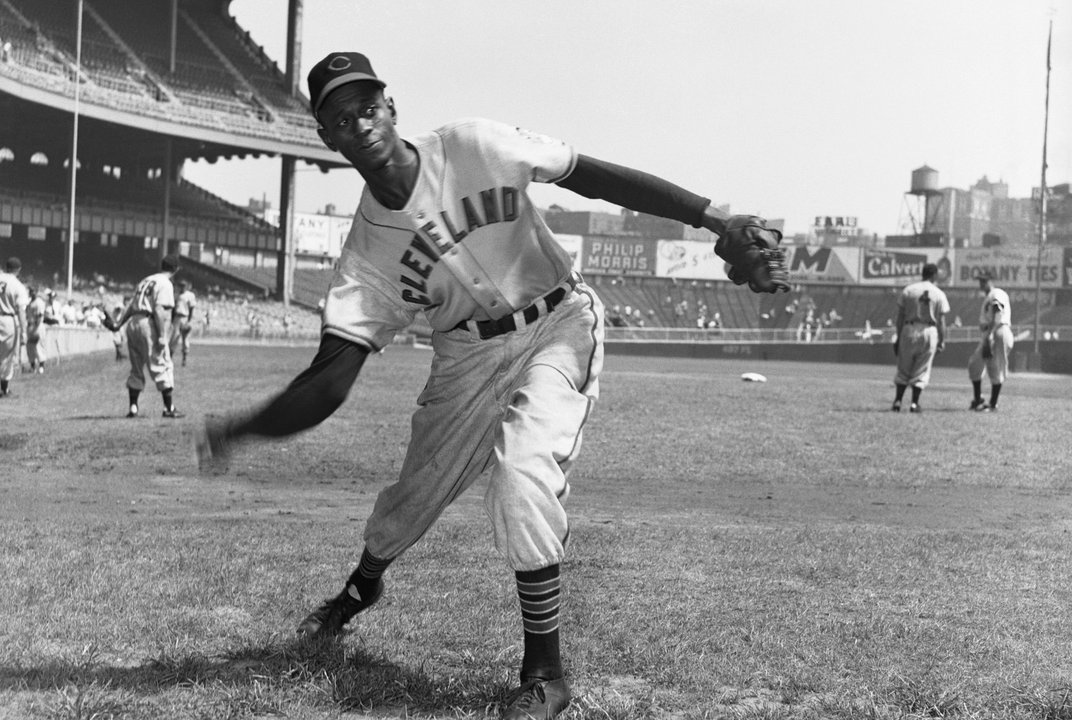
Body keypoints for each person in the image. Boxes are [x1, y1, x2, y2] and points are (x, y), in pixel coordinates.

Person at [195, 51, 779, 720]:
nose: (358, 122)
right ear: (328, 138)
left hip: (557, 320)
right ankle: (358, 592)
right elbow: (328, 384)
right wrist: (239, 428)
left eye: (367, 105)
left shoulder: (472, 144)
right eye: (340, 117)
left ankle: (545, 676)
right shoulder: (365, 261)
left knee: (522, 471)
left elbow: (590, 177)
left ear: (392, 108)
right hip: (465, 357)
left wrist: (714, 218)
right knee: (410, 498)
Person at [110, 255, 184, 418]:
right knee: (162, 363)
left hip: (133, 323)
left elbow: (131, 306)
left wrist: (119, 324)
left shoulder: (146, 280)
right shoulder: (165, 283)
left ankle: (133, 407)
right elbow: (159, 309)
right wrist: (162, 336)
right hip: (148, 324)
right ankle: (168, 408)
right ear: (175, 269)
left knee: (136, 367)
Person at [891, 262, 949, 413]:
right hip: (929, 330)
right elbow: (942, 321)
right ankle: (914, 404)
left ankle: (897, 401)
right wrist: (942, 340)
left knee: (903, 367)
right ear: (935, 275)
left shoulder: (909, 290)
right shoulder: (939, 293)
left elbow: (900, 317)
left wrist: (898, 337)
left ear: (922, 273)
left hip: (908, 328)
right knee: (922, 369)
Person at [968, 270, 1013, 411]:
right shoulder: (989, 295)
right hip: (992, 332)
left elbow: (998, 314)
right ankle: (978, 399)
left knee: (995, 368)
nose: (981, 283)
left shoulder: (996, 293)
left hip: (997, 331)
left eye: (983, 280)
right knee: (974, 365)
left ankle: (993, 404)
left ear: (989, 281)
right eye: (980, 280)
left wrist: (990, 335)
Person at [0, 257, 29, 397]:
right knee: (6, 355)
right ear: (18, 269)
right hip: (8, 320)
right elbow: (21, 311)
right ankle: (4, 389)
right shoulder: (17, 285)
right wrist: (24, 331)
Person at [170, 279, 197, 366]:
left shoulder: (190, 295)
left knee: (185, 339)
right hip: (177, 318)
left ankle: (184, 358)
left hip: (185, 317)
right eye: (180, 286)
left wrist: (189, 321)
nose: (181, 287)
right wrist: (171, 320)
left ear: (186, 286)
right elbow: (173, 309)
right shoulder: (176, 295)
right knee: (174, 338)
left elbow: (191, 308)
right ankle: (170, 358)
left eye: (183, 286)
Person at [24, 286, 47, 373]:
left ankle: (41, 366)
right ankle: (33, 366)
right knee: (30, 347)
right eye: (30, 291)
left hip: (37, 326)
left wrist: (35, 325)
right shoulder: (30, 303)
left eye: (33, 291)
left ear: (36, 292)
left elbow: (40, 315)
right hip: (30, 326)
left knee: (39, 346)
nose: (31, 293)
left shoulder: (39, 302)